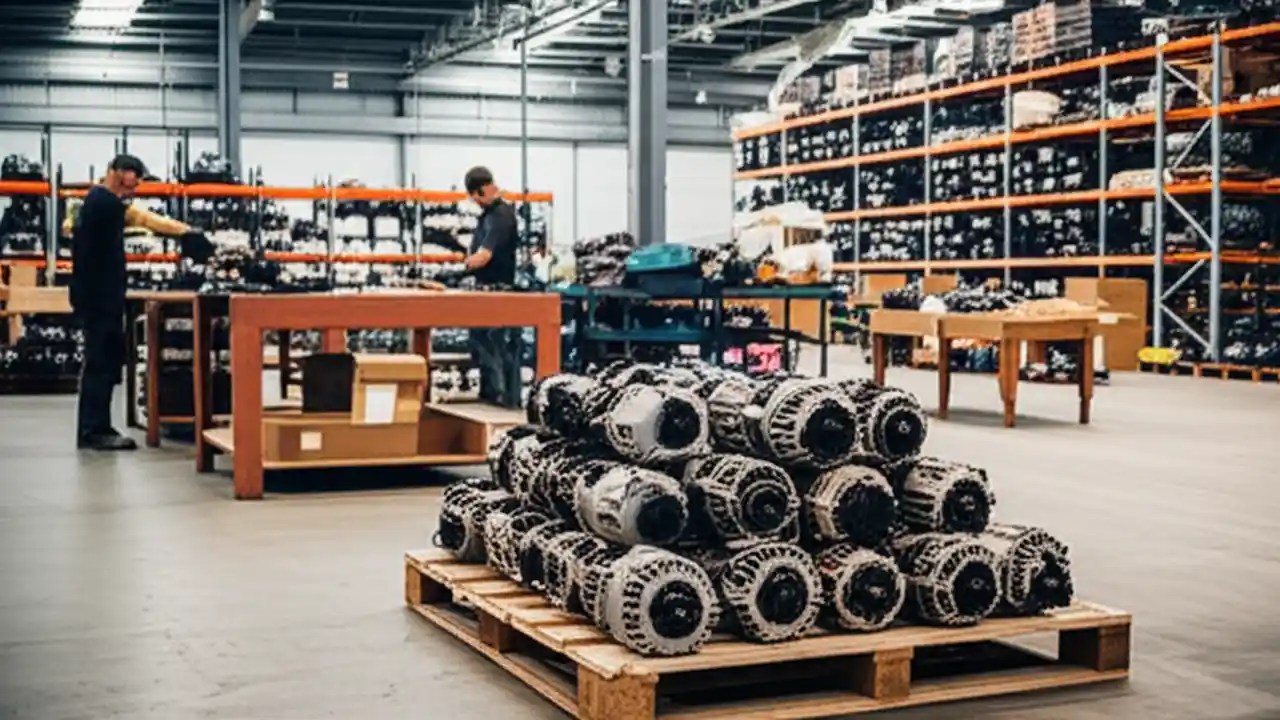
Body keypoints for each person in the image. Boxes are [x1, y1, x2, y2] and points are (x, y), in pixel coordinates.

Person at [70, 154, 206, 450]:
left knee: (102, 362)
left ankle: (96, 427)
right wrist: (187, 233)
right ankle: (94, 431)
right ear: (119, 173)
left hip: (98, 296)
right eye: (136, 177)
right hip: (100, 298)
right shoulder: (104, 204)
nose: (138, 184)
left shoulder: (96, 202)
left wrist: (184, 232)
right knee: (100, 364)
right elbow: (141, 219)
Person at [463, 166, 522, 407]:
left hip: (498, 292)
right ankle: (494, 394)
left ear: (482, 190)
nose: (475, 202)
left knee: (494, 344)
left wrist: (463, 265)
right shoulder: (490, 215)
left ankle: (503, 398)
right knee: (485, 343)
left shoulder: (500, 216)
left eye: (476, 197)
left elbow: (484, 256)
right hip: (490, 289)